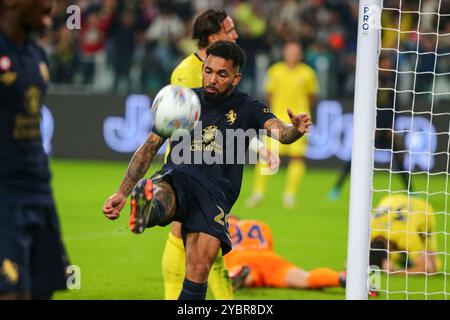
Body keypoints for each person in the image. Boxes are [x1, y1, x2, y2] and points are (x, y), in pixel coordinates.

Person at [102, 40, 311, 300]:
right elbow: (149, 146)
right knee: (163, 190)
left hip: (215, 197)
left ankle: (151, 208)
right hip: (179, 176)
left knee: (197, 277)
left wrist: (294, 130)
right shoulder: (183, 102)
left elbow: (279, 131)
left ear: (236, 78)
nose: (212, 79)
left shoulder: (248, 107)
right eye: (208, 71)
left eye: (222, 74)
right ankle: (147, 208)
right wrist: (122, 193)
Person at [163, 9, 279, 300]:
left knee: (206, 247)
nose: (236, 33)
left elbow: (227, 121)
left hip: (212, 167)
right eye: (230, 29)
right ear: (213, 37)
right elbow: (186, 124)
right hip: (192, 167)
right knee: (188, 238)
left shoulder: (219, 68)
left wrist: (256, 145)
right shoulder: (188, 72)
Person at [0, 0, 69, 300]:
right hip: (5, 194)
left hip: (39, 188)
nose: (51, 5)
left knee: (43, 290)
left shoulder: (36, 53)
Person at [328, 53, 413, 201]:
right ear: (378, 64)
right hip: (371, 129)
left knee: (400, 158)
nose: (387, 67)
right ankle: (337, 188)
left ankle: (410, 190)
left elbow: (395, 107)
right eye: (384, 64)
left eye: (389, 64)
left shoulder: (393, 81)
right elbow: (366, 106)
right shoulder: (370, 81)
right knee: (355, 158)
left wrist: (391, 127)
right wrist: (369, 127)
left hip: (387, 129)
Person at [246, 41, 319, 209]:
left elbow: (312, 96)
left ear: (300, 54)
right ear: (285, 52)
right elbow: (269, 95)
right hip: (276, 122)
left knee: (297, 158)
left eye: (296, 51)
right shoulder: (275, 71)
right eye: (290, 51)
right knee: (266, 155)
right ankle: (258, 193)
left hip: (299, 121)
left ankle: (290, 196)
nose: (293, 54)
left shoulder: (308, 73)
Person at [225, 215, 345, 291]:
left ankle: (239, 274)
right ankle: (340, 278)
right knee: (306, 278)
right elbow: (269, 247)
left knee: (248, 276)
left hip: (239, 258)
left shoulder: (224, 226)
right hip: (270, 260)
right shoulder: (260, 225)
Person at [370, 194, 440, 274]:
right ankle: (402, 258)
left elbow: (427, 269)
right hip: (392, 199)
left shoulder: (405, 236)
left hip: (422, 208)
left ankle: (403, 258)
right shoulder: (370, 229)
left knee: (434, 267)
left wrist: (396, 272)